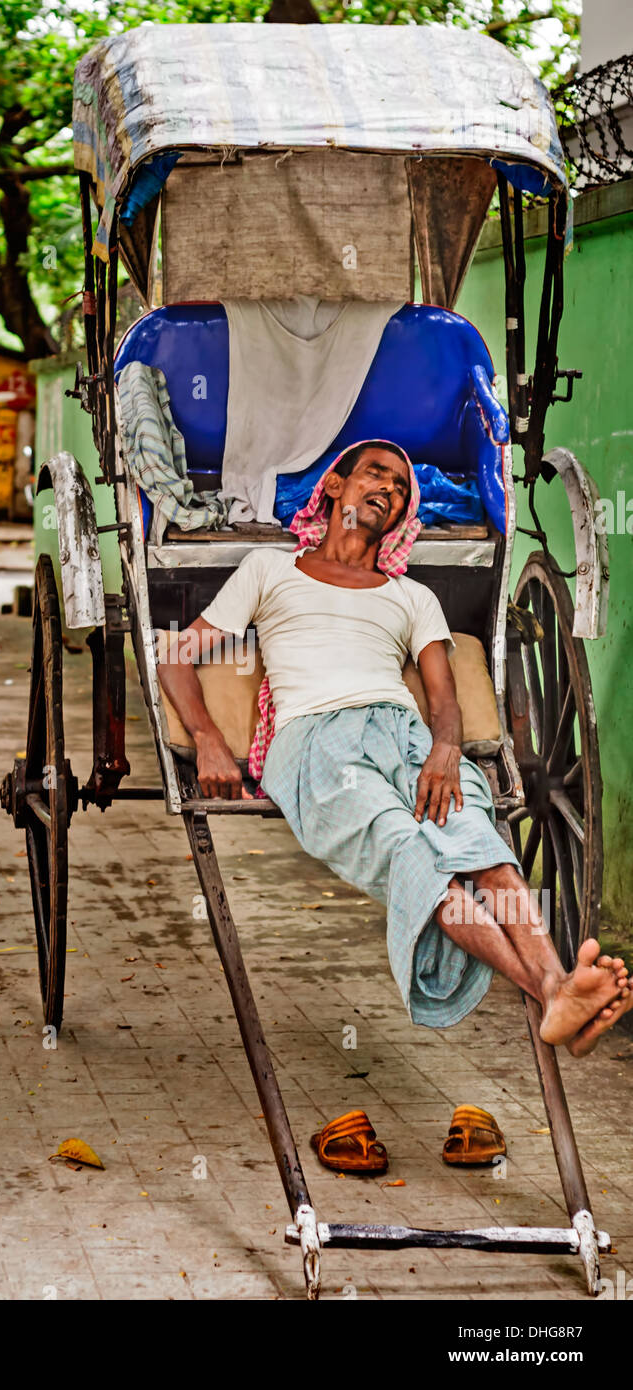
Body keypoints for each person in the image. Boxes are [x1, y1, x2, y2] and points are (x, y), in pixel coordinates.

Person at [157, 441, 632, 1069]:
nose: (390, 487)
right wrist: (211, 740)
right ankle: (552, 992)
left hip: (407, 738)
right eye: (375, 473)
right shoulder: (269, 570)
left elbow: (444, 697)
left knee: (481, 845)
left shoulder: (412, 596)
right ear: (333, 488)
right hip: (315, 743)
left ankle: (557, 990)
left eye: (403, 485)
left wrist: (443, 751)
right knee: (413, 851)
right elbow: (174, 654)